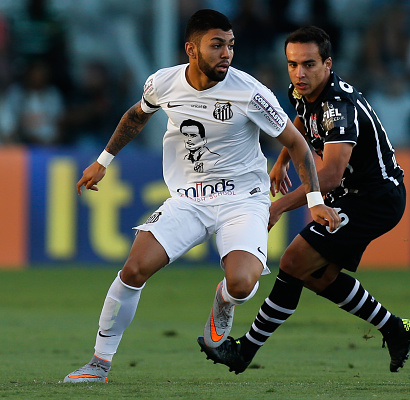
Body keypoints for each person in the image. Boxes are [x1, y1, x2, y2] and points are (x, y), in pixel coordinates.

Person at [63, 10, 340, 383]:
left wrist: (314, 201)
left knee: (242, 284)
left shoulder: (250, 92)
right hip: (189, 199)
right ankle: (99, 362)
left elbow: (296, 142)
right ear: (191, 50)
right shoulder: (164, 83)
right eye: (217, 45)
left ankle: (224, 299)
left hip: (244, 199)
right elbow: (136, 115)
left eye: (230, 45)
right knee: (133, 270)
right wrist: (103, 161)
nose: (226, 53)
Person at [198, 26, 410, 374]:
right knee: (316, 276)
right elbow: (300, 119)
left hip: (375, 198)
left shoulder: (338, 108)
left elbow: (329, 175)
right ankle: (395, 329)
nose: (299, 74)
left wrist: (279, 206)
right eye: (292, 64)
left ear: (328, 64)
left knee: (293, 261)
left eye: (309, 64)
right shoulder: (304, 90)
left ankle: (245, 351)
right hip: (351, 195)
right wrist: (284, 160)